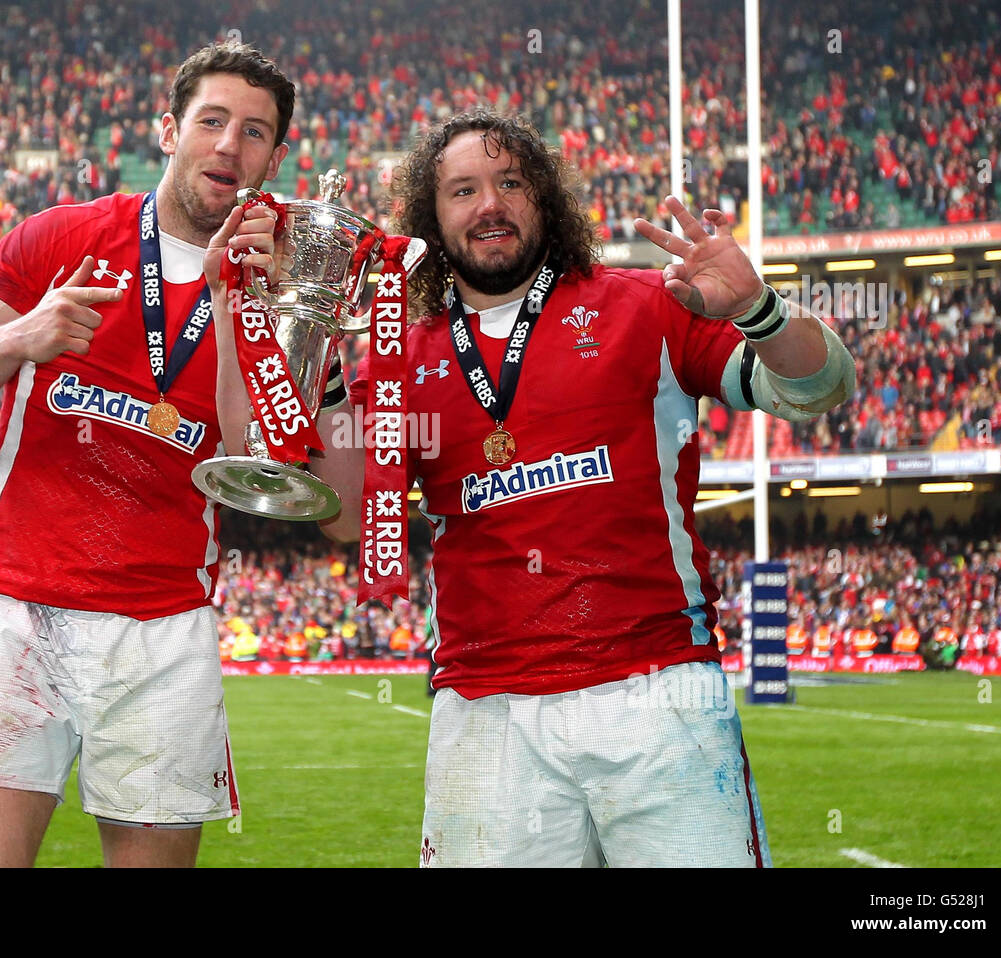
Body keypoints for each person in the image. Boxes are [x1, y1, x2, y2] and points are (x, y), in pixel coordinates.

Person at [295, 110, 855, 866]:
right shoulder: (401, 353)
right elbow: (350, 523)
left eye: (509, 182)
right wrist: (321, 370)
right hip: (484, 709)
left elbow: (819, 387)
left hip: (659, 693)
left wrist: (760, 312)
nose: (488, 204)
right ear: (432, 218)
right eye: (462, 190)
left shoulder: (646, 303)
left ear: (545, 198)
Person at [0, 42, 294, 868]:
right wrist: (24, 333)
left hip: (164, 626)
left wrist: (243, 312)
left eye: (254, 132)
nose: (229, 145)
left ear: (275, 156)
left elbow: (256, 457)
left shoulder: (275, 283)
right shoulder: (58, 238)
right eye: (212, 121)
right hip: (15, 610)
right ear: (167, 129)